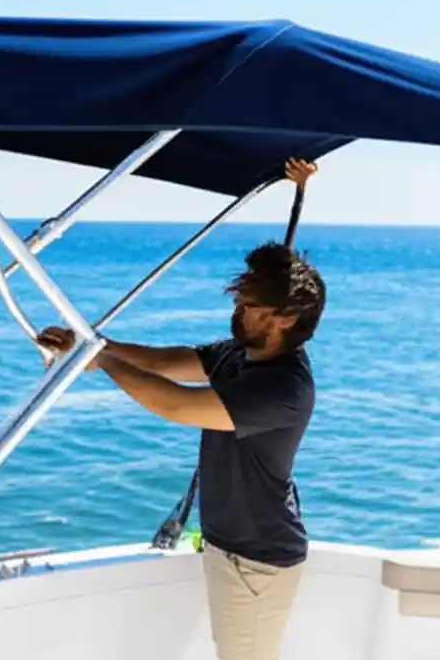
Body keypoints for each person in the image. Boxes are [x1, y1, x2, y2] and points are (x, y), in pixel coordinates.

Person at [37, 158, 325, 660]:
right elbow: (169, 362)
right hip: (229, 547)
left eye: (249, 306)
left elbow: (176, 404)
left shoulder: (283, 388)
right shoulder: (242, 351)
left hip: (258, 562)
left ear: (286, 318)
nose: (236, 311)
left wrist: (102, 362)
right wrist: (91, 344)